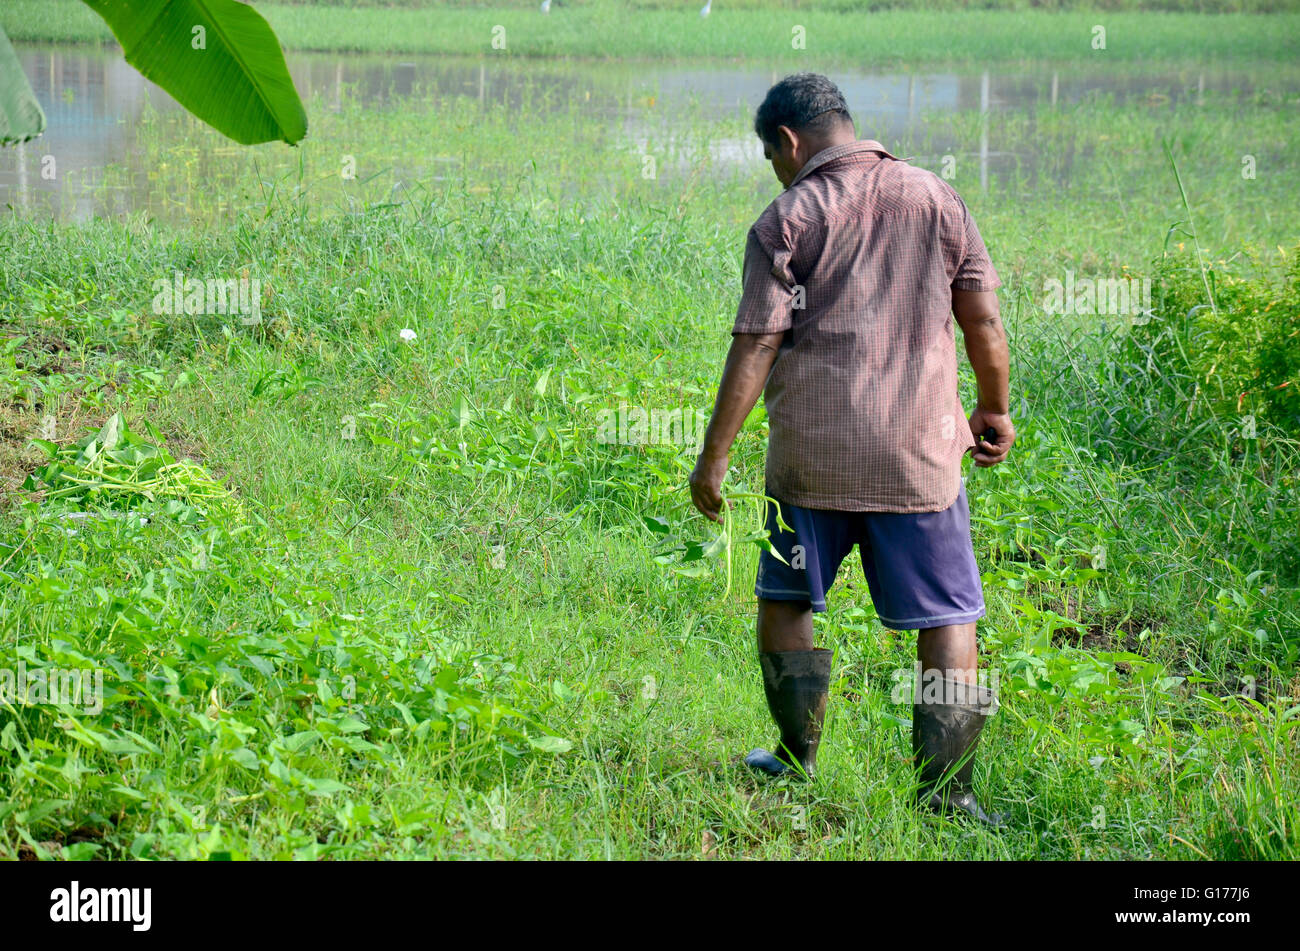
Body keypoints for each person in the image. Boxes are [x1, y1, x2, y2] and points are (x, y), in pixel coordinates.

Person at [689, 73, 1014, 827]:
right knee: (949, 617)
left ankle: (796, 758)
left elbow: (757, 342)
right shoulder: (939, 199)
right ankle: (948, 795)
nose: (776, 169)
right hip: (919, 460)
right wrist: (993, 406)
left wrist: (715, 456)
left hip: (811, 461)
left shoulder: (787, 217)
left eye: (772, 155)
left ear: (790, 142)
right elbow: (984, 320)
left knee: (786, 598)